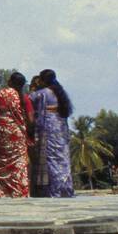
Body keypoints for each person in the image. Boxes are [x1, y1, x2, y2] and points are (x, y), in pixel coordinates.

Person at [31, 68, 75, 197]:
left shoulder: (41, 94)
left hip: (49, 127)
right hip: (60, 128)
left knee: (51, 159)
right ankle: (65, 188)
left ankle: (54, 189)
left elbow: (29, 101)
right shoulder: (61, 94)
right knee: (62, 159)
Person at [0, 71, 33, 197]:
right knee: (18, 163)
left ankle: (0, 191)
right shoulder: (24, 98)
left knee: (1, 162)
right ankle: (19, 191)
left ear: (10, 81)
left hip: (2, 132)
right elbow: (30, 120)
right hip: (18, 133)